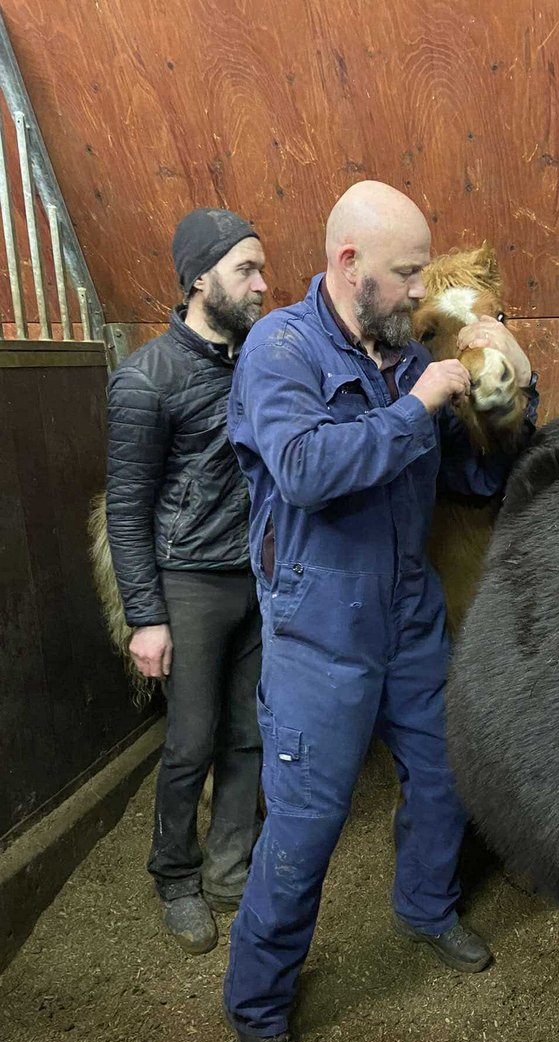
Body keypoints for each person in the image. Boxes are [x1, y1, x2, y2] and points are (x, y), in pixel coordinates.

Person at [222, 180, 539, 1042]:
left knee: (446, 775)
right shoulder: (280, 349)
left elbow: (468, 487)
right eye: (404, 273)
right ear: (349, 263)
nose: (415, 291)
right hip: (319, 631)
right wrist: (422, 403)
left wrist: (504, 405)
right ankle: (258, 1005)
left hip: (407, 614)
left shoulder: (402, 354)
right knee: (307, 828)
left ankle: (427, 906)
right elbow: (308, 470)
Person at [105, 209, 268, 955]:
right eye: (246, 270)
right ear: (200, 277)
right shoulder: (145, 379)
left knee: (250, 735)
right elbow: (128, 510)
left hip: (257, 578)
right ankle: (175, 875)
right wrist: (146, 616)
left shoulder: (260, 362)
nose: (262, 284)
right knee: (189, 742)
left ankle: (231, 870)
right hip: (191, 586)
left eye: (261, 269)